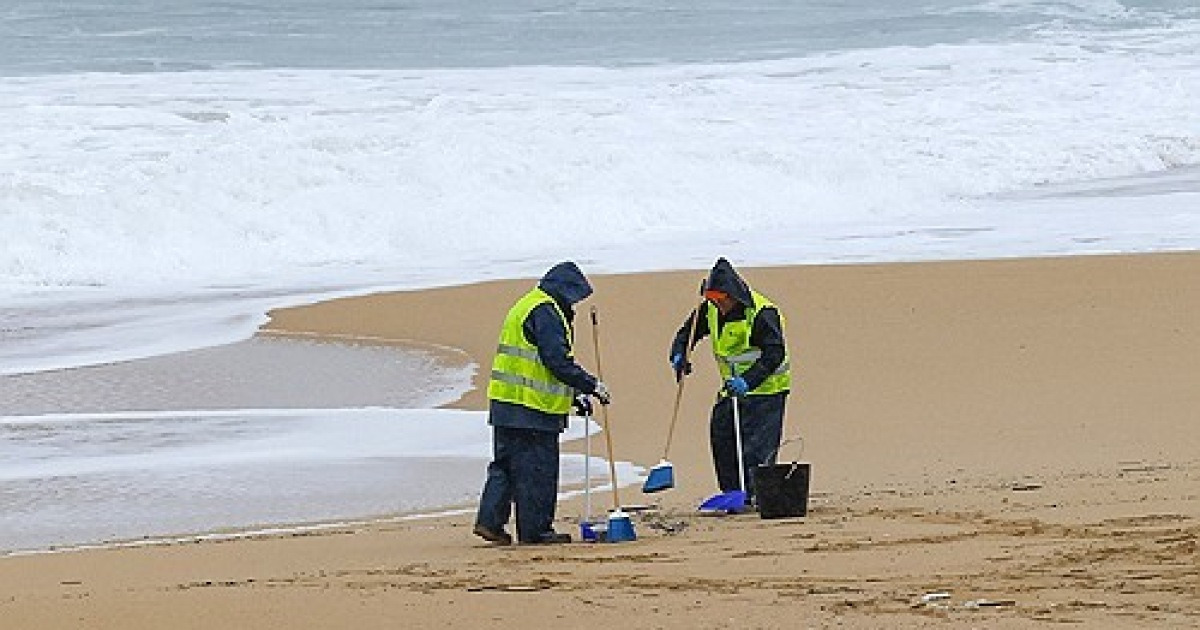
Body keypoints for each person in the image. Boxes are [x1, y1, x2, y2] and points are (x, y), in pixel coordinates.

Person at [474, 261, 611, 545]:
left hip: (505, 404)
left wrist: (575, 395)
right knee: (538, 470)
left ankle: (490, 522)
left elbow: (537, 363)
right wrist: (591, 385)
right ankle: (536, 531)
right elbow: (556, 361)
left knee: (505, 467)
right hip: (533, 408)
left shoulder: (526, 304)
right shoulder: (546, 311)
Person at [668, 257, 791, 505]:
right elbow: (687, 333)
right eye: (713, 300)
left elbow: (774, 353)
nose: (718, 306)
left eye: (722, 300)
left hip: (767, 389)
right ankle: (733, 492)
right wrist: (679, 354)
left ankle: (756, 494)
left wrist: (748, 381)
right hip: (732, 390)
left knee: (756, 448)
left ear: (733, 295)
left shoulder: (761, 313)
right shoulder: (710, 309)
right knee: (722, 434)